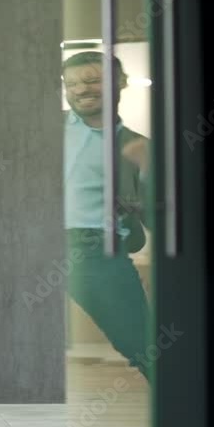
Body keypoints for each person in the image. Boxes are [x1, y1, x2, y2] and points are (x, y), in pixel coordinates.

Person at [62, 51, 152, 380]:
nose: (80, 89)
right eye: (71, 83)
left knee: (141, 343)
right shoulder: (43, 128)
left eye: (91, 80)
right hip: (33, 241)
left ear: (119, 84)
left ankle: (188, 422)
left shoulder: (137, 146)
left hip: (96, 251)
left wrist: (147, 171)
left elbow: (158, 217)